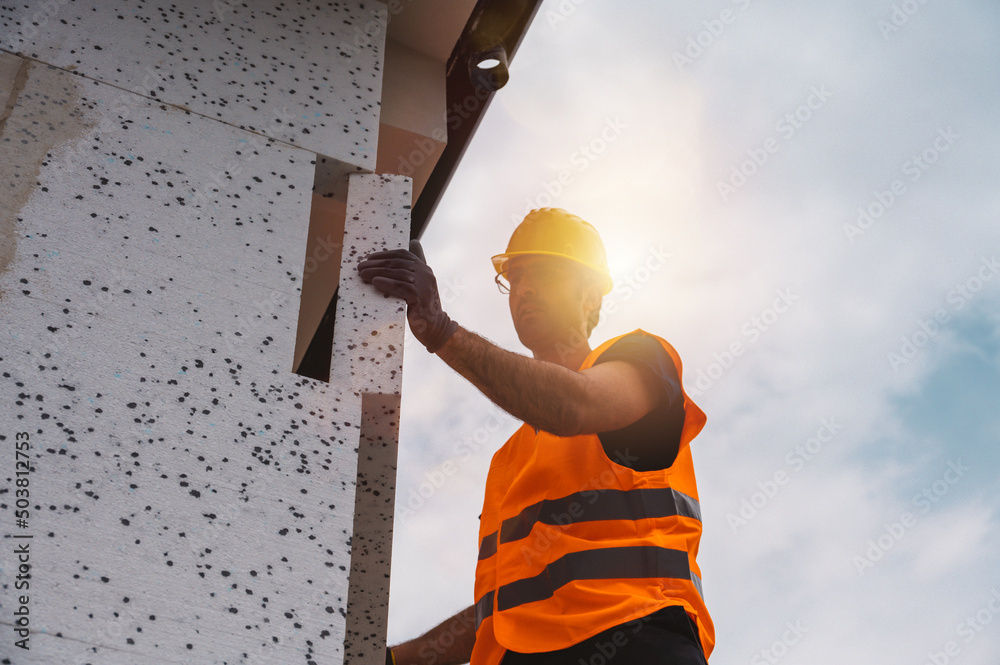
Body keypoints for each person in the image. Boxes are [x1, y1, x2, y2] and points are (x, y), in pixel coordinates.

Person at [357, 208, 713, 665]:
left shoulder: (643, 359)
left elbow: (575, 404)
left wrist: (441, 330)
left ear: (590, 294)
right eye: (516, 277)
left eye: (542, 272)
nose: (523, 289)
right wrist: (391, 660)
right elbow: (507, 609)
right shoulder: (510, 459)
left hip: (636, 641)